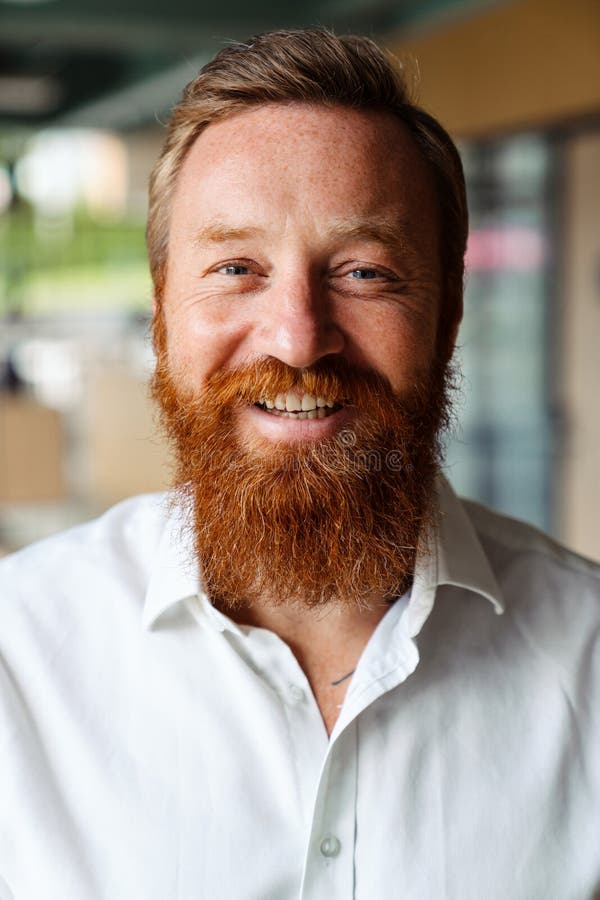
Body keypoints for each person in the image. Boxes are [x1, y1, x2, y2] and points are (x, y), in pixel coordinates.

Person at [0, 28, 599, 900]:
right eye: (236, 266)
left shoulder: (588, 657)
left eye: (364, 271)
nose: (297, 336)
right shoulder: (17, 656)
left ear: (450, 309)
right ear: (163, 309)